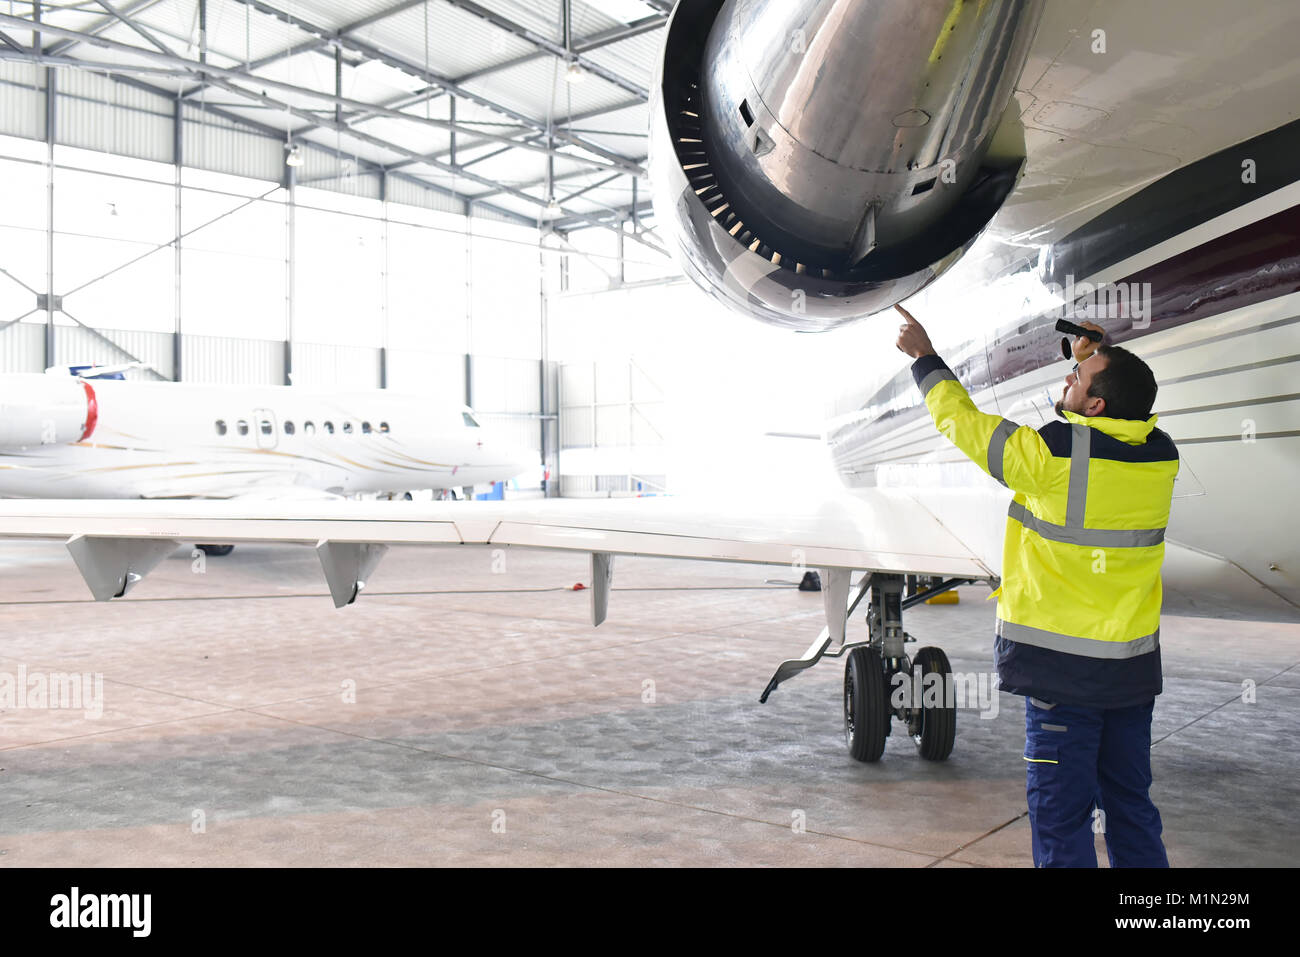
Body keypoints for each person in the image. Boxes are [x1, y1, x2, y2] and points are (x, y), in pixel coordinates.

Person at [894, 304, 1178, 868]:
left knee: (1061, 816)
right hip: (1129, 675)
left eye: (1079, 379)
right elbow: (1112, 419)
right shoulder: (1160, 455)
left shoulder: (1051, 456)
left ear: (1095, 405)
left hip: (1061, 675)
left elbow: (964, 424)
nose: (1069, 380)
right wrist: (1093, 360)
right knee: (1130, 806)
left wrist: (926, 360)